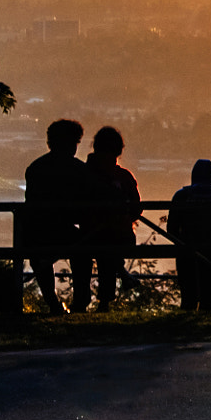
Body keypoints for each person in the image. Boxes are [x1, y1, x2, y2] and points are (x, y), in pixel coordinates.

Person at [22, 119, 93, 315]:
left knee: (39, 257)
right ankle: (80, 301)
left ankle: (53, 302)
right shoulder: (79, 170)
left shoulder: (36, 168)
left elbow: (32, 204)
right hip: (65, 230)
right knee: (83, 252)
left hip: (39, 230)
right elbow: (86, 206)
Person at [79, 125, 142, 313]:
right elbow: (137, 206)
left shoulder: (85, 174)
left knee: (98, 253)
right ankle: (108, 296)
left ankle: (84, 300)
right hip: (119, 234)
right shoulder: (123, 176)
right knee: (109, 255)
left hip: (89, 234)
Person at [169, 158, 211, 312]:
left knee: (188, 295)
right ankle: (207, 323)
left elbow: (171, 229)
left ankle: (185, 325)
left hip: (186, 250)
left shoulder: (181, 195)